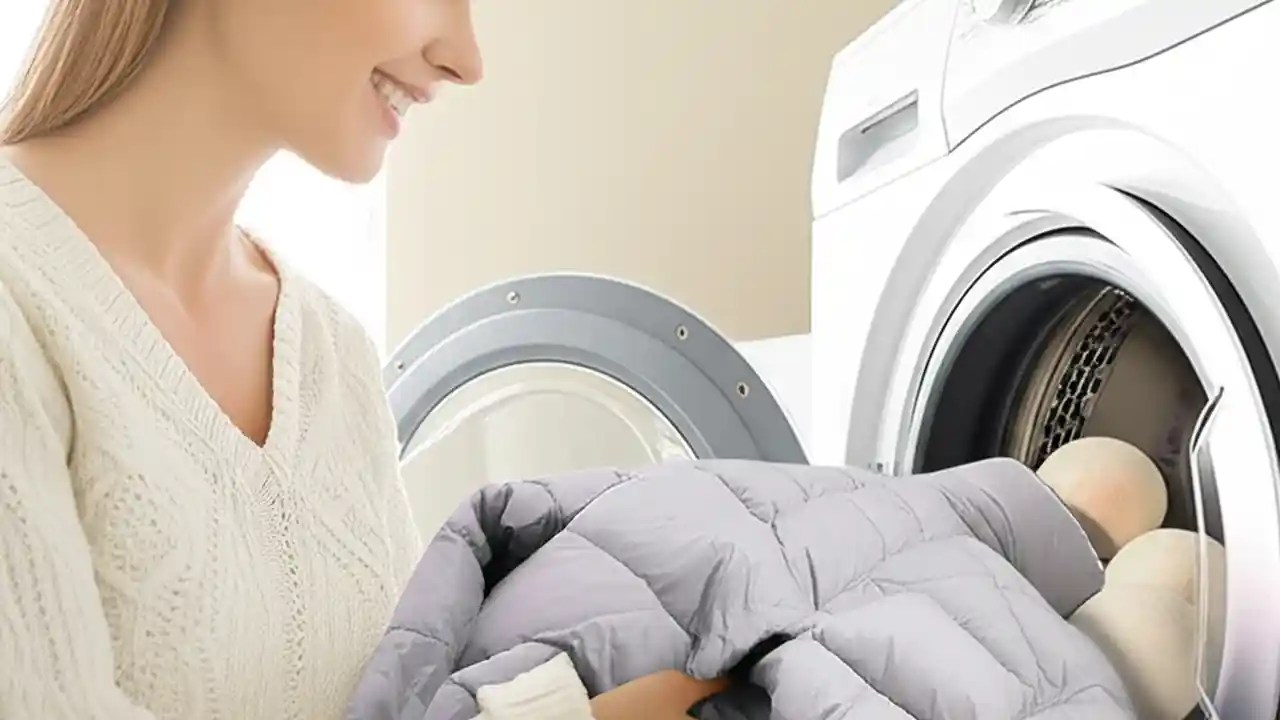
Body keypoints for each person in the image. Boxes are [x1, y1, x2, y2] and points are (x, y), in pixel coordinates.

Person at [0, 1, 720, 717]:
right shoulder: (22, 299)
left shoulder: (329, 349)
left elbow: (395, 705)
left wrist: (627, 704)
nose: (465, 60)